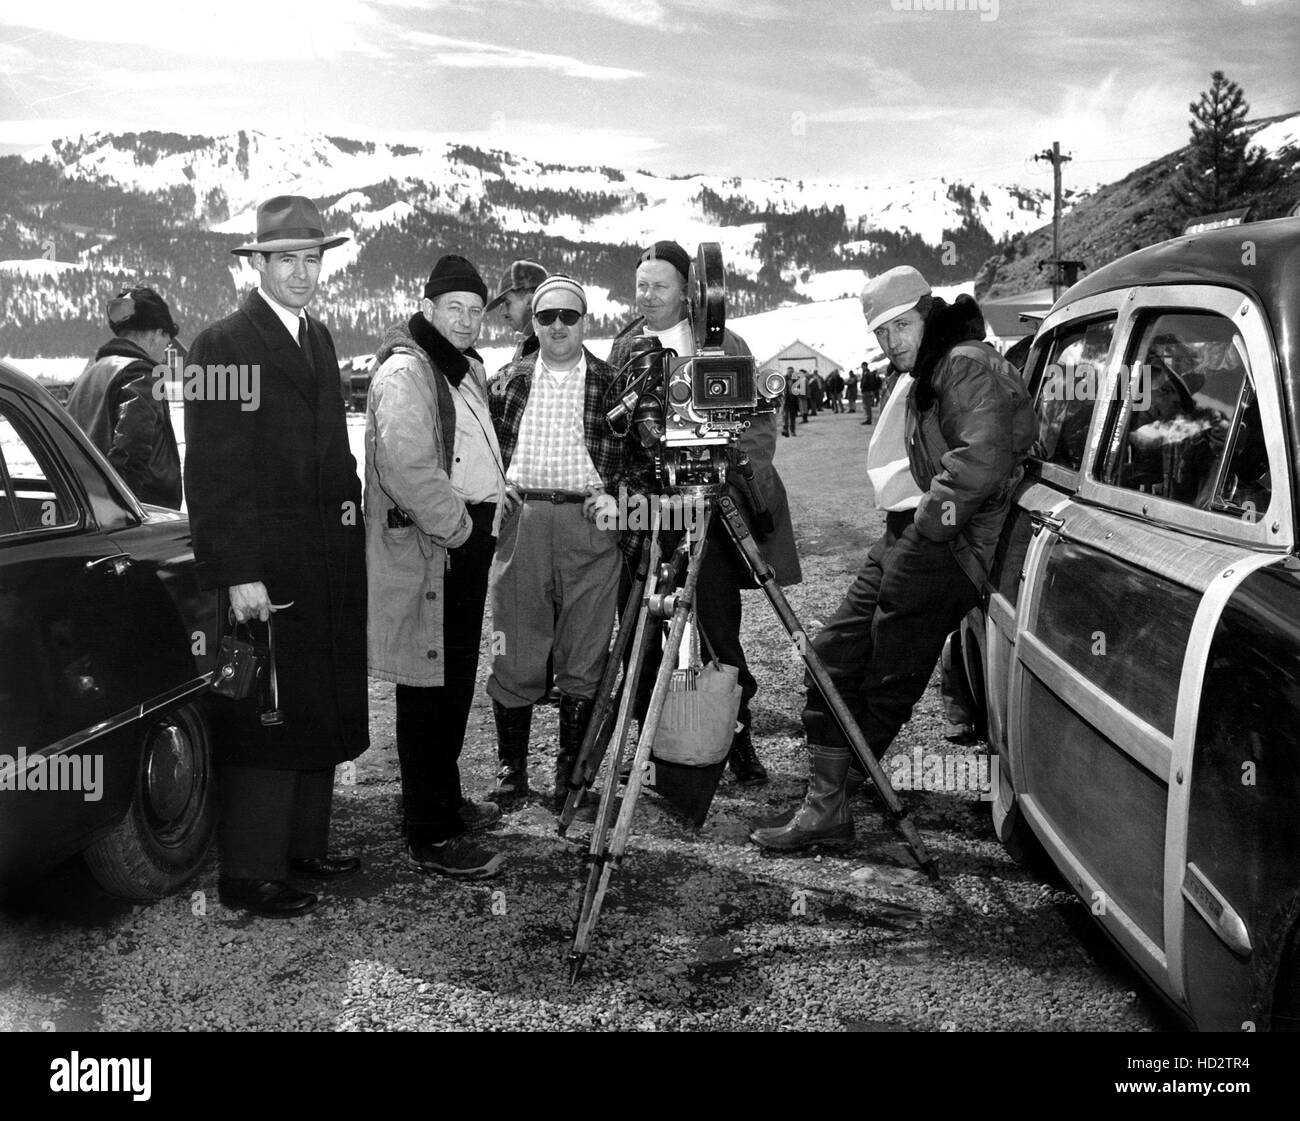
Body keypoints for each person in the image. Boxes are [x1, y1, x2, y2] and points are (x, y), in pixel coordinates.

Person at [752, 266, 1037, 852]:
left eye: (902, 326)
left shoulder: (965, 364)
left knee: (887, 674)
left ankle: (831, 802)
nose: (892, 342)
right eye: (881, 334)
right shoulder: (935, 368)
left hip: (949, 545)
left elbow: (979, 459)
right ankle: (829, 801)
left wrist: (928, 526)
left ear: (927, 313)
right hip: (914, 534)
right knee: (832, 650)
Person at [185, 196, 368, 916]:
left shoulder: (317, 338)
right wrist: (237, 572)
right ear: (256, 263)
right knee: (264, 705)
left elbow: (336, 454)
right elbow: (213, 473)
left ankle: (302, 846)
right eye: (286, 258)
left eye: (312, 258)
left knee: (313, 697)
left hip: (322, 558)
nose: (302, 271)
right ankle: (250, 871)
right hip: (264, 565)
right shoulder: (219, 346)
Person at [609, 240, 802, 786]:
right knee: (643, 628)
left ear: (688, 289)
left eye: (660, 286)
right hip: (648, 510)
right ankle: (647, 741)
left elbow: (758, 424)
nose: (648, 296)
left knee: (719, 629)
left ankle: (734, 736)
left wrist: (736, 470)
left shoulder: (723, 343)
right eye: (641, 286)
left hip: (711, 509)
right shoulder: (626, 347)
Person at [365, 254, 506, 880]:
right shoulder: (407, 373)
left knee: (452, 680)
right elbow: (407, 469)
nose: (467, 321)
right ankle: (430, 831)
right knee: (428, 686)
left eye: (476, 311)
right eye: (455, 309)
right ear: (427, 309)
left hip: (462, 542)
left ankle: (441, 802)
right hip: (437, 546)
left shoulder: (461, 368)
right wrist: (462, 529)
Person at [485, 275, 647, 808]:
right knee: (515, 645)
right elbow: (483, 452)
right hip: (523, 522)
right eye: (546, 316)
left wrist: (621, 500)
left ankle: (570, 777)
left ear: (585, 320)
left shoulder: (612, 382)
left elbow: (647, 463)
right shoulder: (508, 382)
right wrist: (496, 491)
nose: (557, 326)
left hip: (589, 525)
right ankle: (512, 772)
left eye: (568, 316)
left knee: (585, 648)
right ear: (533, 322)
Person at [66, 286, 182, 509]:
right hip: (141, 513)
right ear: (155, 334)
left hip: (87, 503)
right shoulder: (140, 374)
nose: (164, 353)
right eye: (167, 342)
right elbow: (130, 449)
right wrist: (124, 511)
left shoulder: (89, 374)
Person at [486, 258, 548, 366]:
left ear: (530, 301)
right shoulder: (530, 344)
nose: (503, 312)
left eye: (507, 303)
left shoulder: (546, 349)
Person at [782, 366, 801, 437]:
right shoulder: (783, 379)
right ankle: (785, 430)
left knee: (793, 417)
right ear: (787, 372)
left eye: (792, 372)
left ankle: (793, 431)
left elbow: (799, 389)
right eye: (789, 371)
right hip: (786, 401)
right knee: (785, 416)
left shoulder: (796, 379)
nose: (791, 373)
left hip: (793, 400)